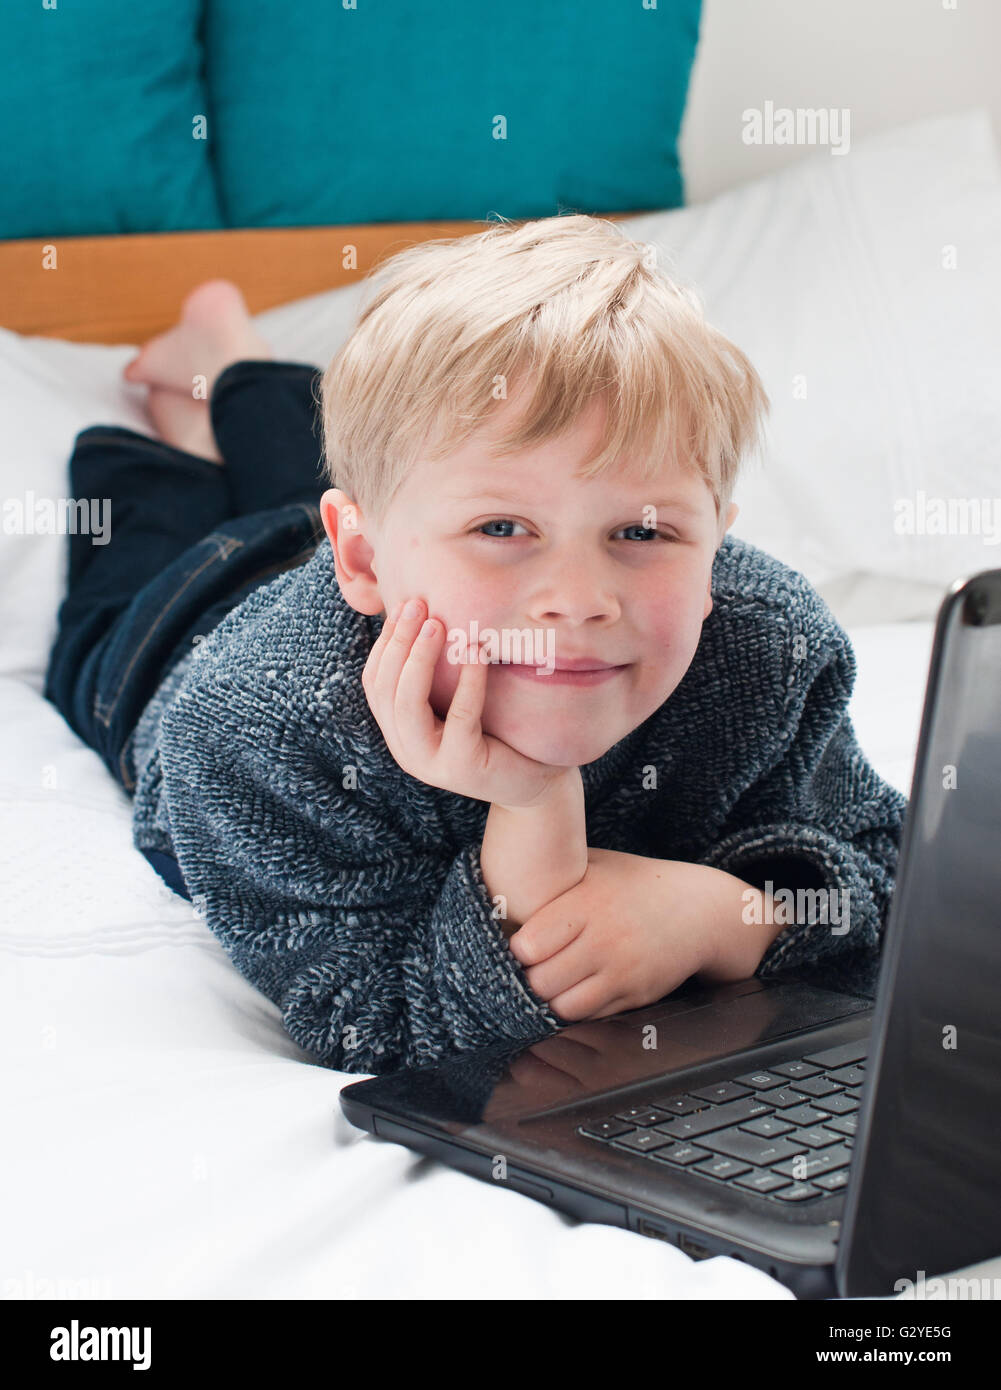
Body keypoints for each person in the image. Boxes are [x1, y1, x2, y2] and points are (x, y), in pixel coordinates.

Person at [43, 214, 907, 1075]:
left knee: (317, 490)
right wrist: (534, 806)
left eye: (643, 533)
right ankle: (193, 415)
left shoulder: (770, 647)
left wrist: (728, 920)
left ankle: (225, 358)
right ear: (364, 558)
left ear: (716, 542)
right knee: (145, 543)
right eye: (502, 526)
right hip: (183, 626)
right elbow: (378, 1024)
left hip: (383, 558)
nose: (577, 600)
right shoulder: (248, 726)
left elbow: (894, 875)